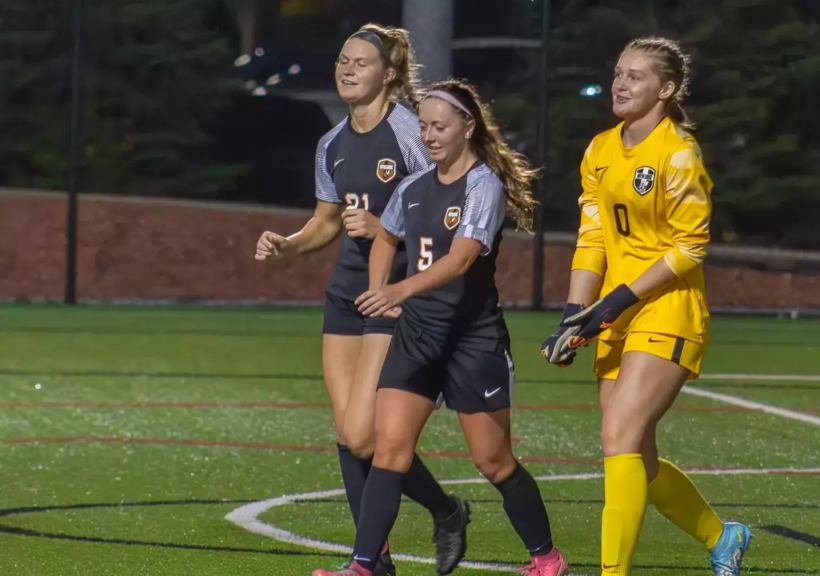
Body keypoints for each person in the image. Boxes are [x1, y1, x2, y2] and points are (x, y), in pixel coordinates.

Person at [322, 79, 568, 576]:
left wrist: (398, 290)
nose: (429, 136)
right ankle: (363, 567)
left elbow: (460, 260)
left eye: (439, 126)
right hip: (416, 336)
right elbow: (386, 238)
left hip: (471, 342)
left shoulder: (483, 187)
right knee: (388, 447)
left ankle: (547, 558)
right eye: (425, 127)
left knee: (494, 463)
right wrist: (379, 293)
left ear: (467, 128)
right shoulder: (412, 188)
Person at [252, 24, 469, 576]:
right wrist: (289, 246)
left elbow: (443, 207)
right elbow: (326, 222)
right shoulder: (332, 142)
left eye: (360, 62)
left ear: (389, 75)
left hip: (395, 295)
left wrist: (384, 226)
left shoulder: (408, 133)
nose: (346, 69)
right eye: (341, 61)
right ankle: (383, 559)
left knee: (361, 432)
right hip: (345, 293)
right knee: (349, 435)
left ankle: (435, 517)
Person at [540, 37, 751, 576]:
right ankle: (721, 536)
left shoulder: (678, 153)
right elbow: (592, 238)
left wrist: (618, 297)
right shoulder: (600, 149)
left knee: (619, 440)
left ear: (667, 89)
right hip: (615, 313)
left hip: (667, 310)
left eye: (636, 76)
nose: (621, 83)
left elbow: (689, 247)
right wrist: (573, 314)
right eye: (618, 73)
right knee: (639, 459)